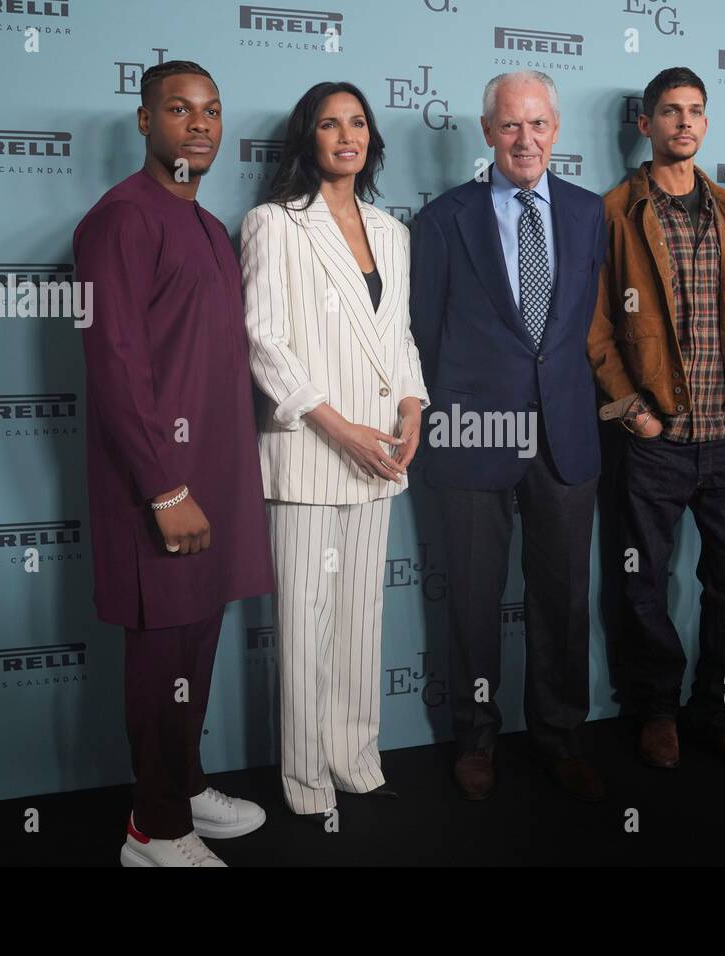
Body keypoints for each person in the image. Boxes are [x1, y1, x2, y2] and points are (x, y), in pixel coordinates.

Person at [73, 60, 273, 867]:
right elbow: (115, 366)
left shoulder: (209, 226)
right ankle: (152, 831)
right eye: (181, 110)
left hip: (215, 482)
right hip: (158, 487)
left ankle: (184, 788)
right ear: (145, 121)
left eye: (212, 111)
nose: (200, 125)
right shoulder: (120, 219)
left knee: (195, 648)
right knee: (161, 659)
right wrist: (164, 488)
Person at [410, 70, 608, 802]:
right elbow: (424, 335)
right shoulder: (443, 219)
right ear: (487, 130)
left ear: (556, 129)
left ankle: (560, 736)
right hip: (471, 432)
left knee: (563, 597)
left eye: (538, 124)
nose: (526, 139)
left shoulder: (589, 212)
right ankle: (476, 739)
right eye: (511, 125)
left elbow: (587, 322)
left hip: (565, 433)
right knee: (472, 597)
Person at [587, 67, 725, 778]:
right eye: (670, 111)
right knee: (642, 583)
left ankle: (724, 717)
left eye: (695, 110)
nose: (684, 122)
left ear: (705, 122)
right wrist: (633, 411)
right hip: (655, 443)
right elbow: (596, 325)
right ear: (645, 124)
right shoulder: (615, 211)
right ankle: (657, 713)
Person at [241, 81, 429, 818]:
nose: (346, 136)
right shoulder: (274, 223)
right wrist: (339, 426)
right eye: (329, 123)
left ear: (371, 139)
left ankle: (356, 760)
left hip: (380, 454)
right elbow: (264, 341)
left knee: (359, 621)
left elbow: (399, 336)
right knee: (305, 624)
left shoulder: (391, 232)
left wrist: (412, 406)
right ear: (307, 137)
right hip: (309, 454)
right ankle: (306, 779)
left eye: (357, 123)